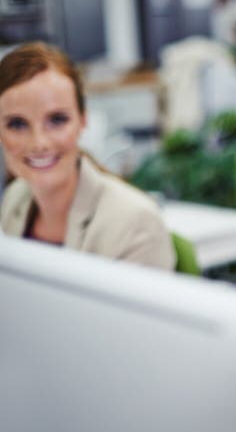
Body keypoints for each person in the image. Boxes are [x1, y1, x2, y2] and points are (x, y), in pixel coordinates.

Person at [0, 42, 175, 270]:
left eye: (57, 120)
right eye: (17, 124)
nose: (39, 143)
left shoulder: (136, 223)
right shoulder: (15, 198)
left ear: (83, 120)